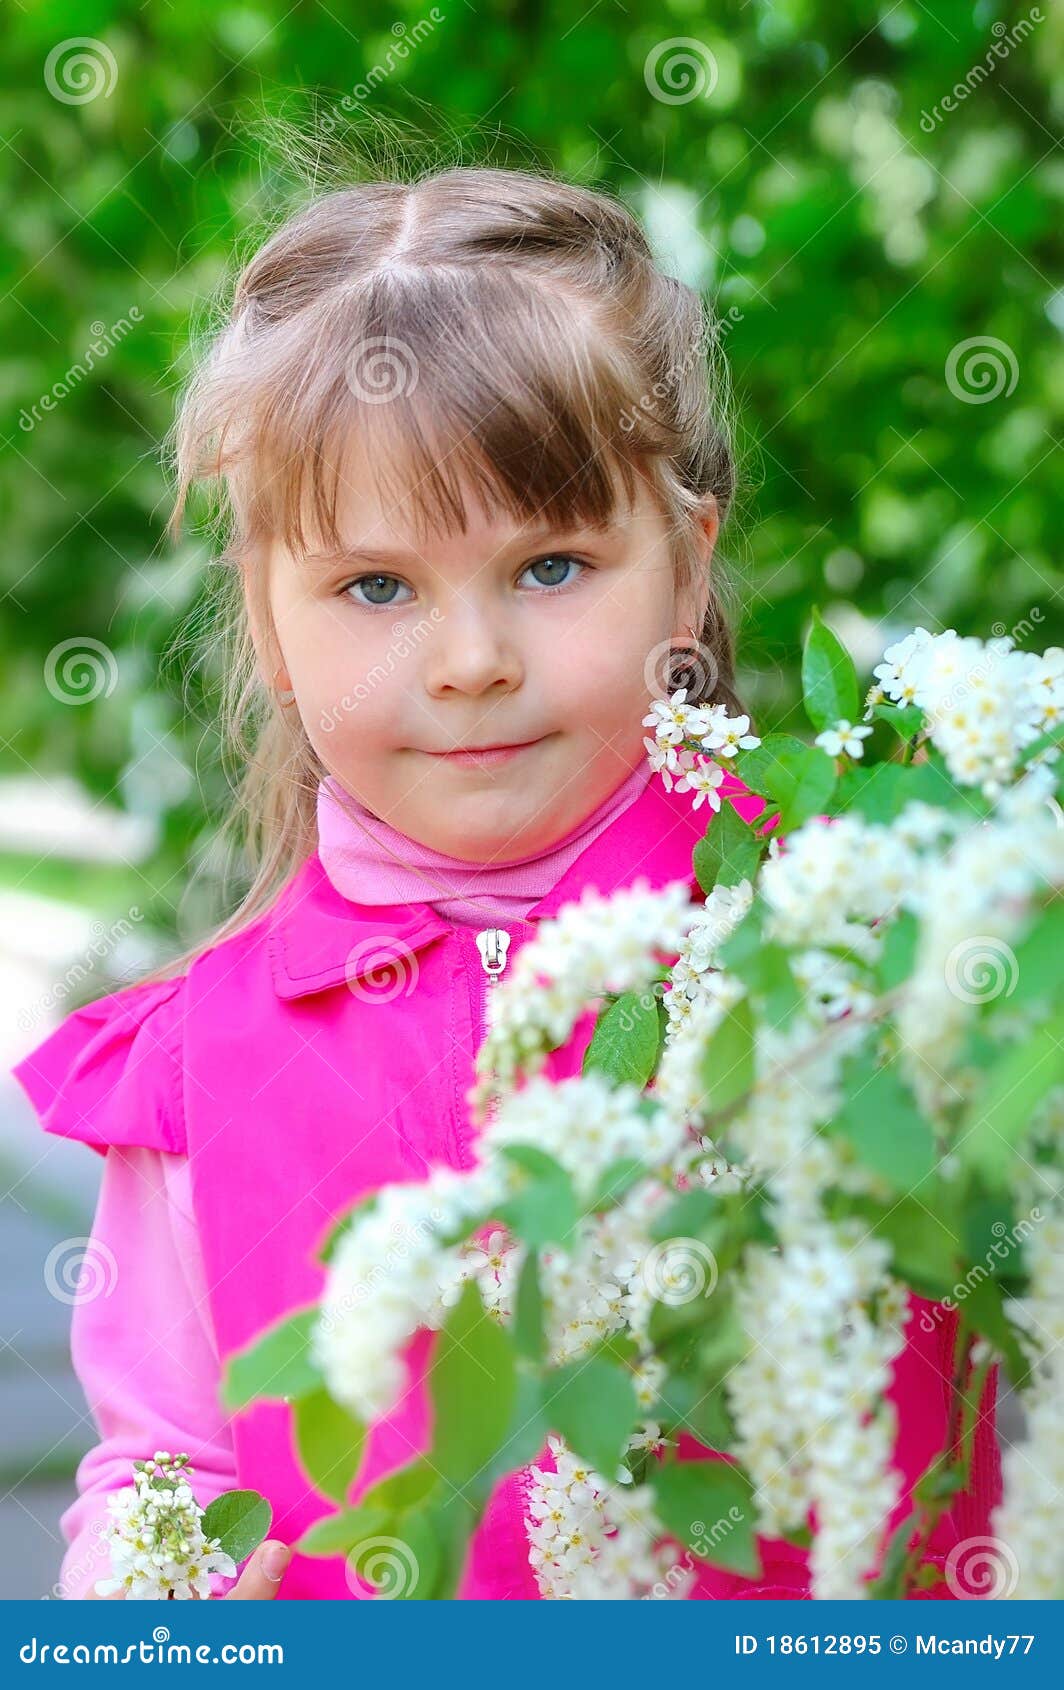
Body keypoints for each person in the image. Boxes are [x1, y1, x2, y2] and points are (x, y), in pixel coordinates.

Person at [12, 164, 998, 1601]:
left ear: (685, 568)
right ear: (270, 623)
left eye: (550, 566)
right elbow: (164, 1473)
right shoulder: (194, 1069)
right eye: (375, 586)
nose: (470, 659)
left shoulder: (862, 935)